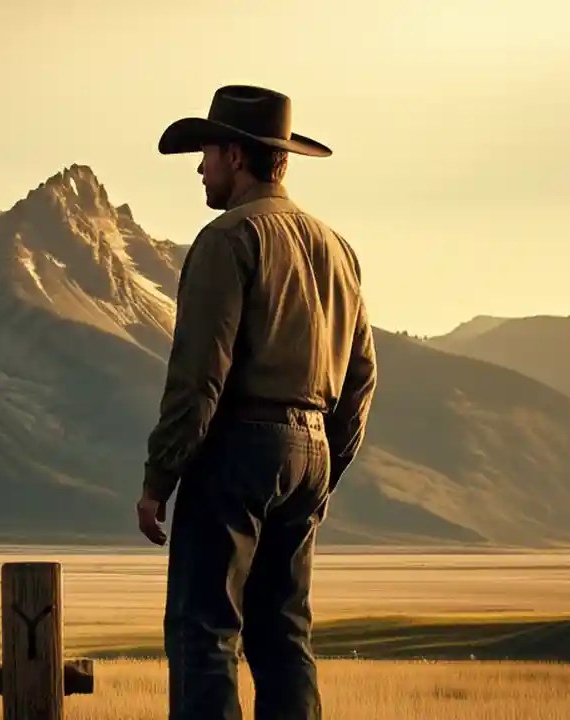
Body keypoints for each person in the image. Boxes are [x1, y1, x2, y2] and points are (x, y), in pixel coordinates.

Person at [136, 85, 378, 720]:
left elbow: (198, 376)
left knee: (205, 629)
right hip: (313, 449)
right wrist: (328, 466)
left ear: (236, 157)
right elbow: (361, 375)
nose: (200, 168)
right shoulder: (337, 249)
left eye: (207, 153)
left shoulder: (227, 239)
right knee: (283, 634)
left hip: (239, 447)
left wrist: (160, 476)